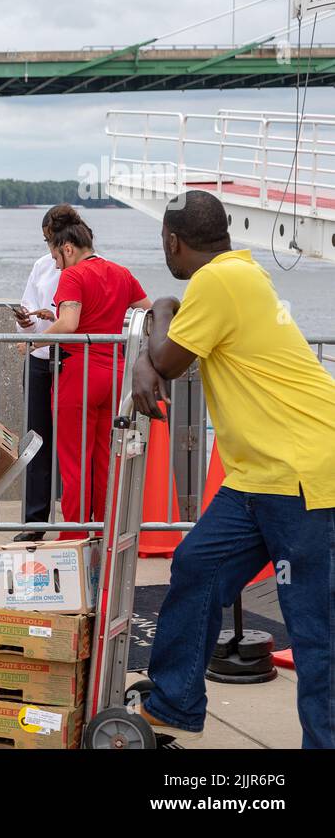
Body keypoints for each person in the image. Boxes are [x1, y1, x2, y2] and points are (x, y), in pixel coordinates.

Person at [133, 190, 335, 748]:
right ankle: (174, 701)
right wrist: (167, 311)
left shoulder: (219, 281)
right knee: (198, 567)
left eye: (164, 244)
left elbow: (168, 361)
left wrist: (160, 308)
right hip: (256, 477)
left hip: (301, 476)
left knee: (314, 626)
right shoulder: (238, 274)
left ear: (173, 241)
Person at [38, 206, 151, 538]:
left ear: (68, 248)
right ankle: (105, 532)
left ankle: (73, 538)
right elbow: (150, 312)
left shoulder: (72, 275)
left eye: (57, 258)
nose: (57, 265)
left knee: (75, 464)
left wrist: (32, 342)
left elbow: (70, 323)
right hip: (115, 375)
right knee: (104, 460)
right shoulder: (121, 272)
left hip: (79, 374)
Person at [12, 207, 66, 541]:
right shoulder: (42, 266)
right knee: (37, 441)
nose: (48, 247)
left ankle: (77, 519)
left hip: (71, 361)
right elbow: (30, 310)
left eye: (51, 240)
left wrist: (55, 315)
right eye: (45, 240)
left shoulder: (87, 266)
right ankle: (35, 522)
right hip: (40, 359)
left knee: (74, 444)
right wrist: (26, 321)